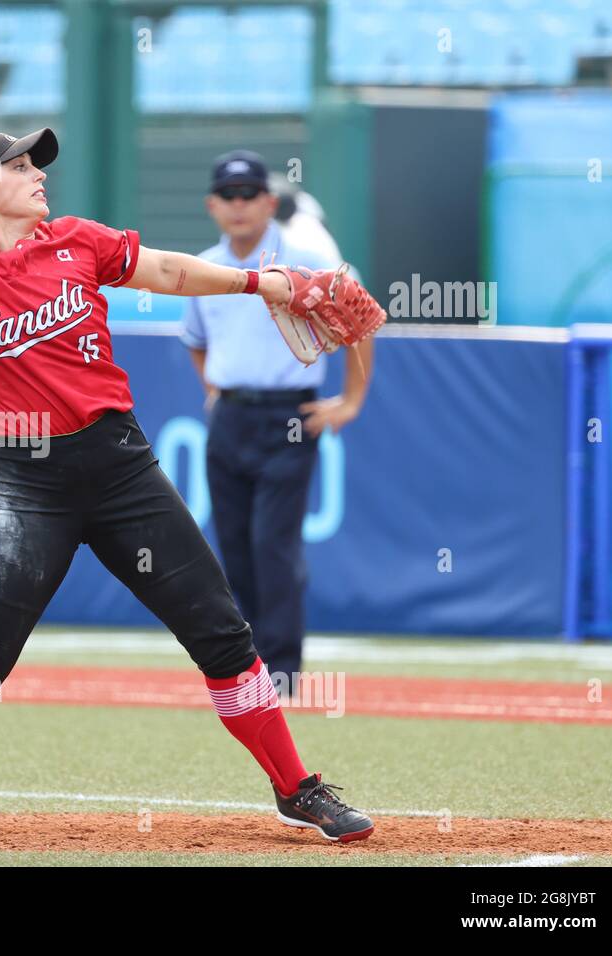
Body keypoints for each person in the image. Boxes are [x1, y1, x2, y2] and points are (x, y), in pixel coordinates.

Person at [0, 12, 374, 844]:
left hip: (120, 465)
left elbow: (164, 269)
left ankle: (296, 786)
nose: (36, 172)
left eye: (34, 161)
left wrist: (261, 283)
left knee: (222, 631)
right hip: (25, 480)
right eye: (18, 163)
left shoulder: (75, 242)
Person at [181, 151, 375, 698]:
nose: (239, 206)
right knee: (234, 547)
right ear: (212, 205)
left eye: (250, 195)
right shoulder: (205, 267)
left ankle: (282, 674)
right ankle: (244, 670)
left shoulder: (310, 257)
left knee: (274, 545)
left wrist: (351, 401)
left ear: (270, 201)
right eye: (229, 196)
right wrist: (216, 391)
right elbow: (196, 341)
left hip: (291, 414)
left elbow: (362, 321)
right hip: (232, 416)